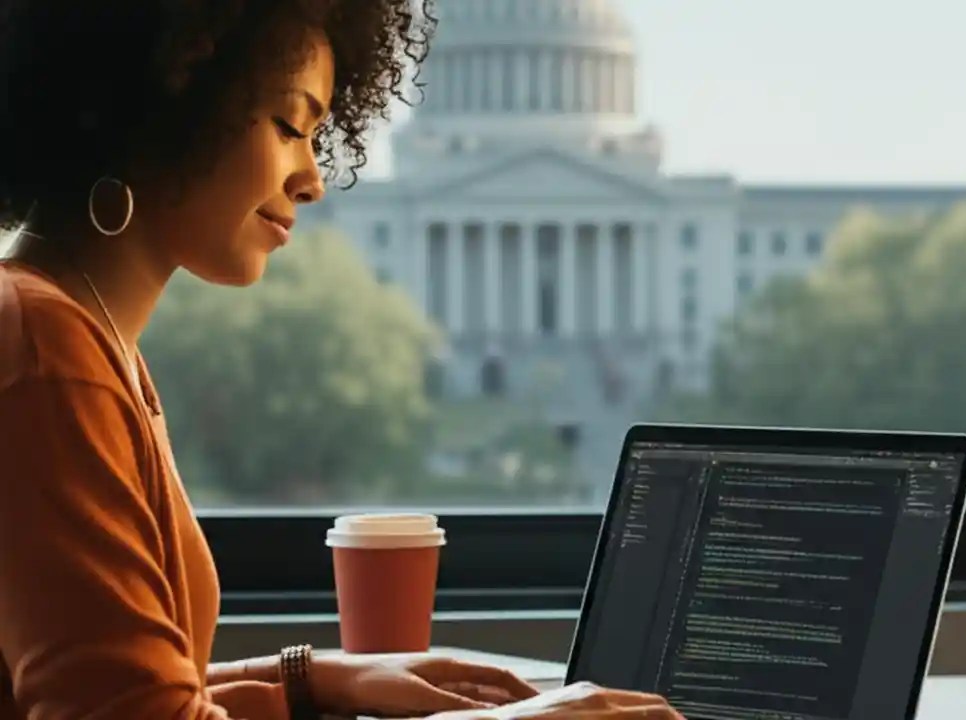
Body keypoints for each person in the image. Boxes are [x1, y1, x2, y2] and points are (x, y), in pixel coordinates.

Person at [0, 2, 682, 719]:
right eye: (292, 125)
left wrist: (321, 678)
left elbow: (128, 680)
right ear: (173, 93)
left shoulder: (85, 339)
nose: (312, 179)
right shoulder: (47, 356)